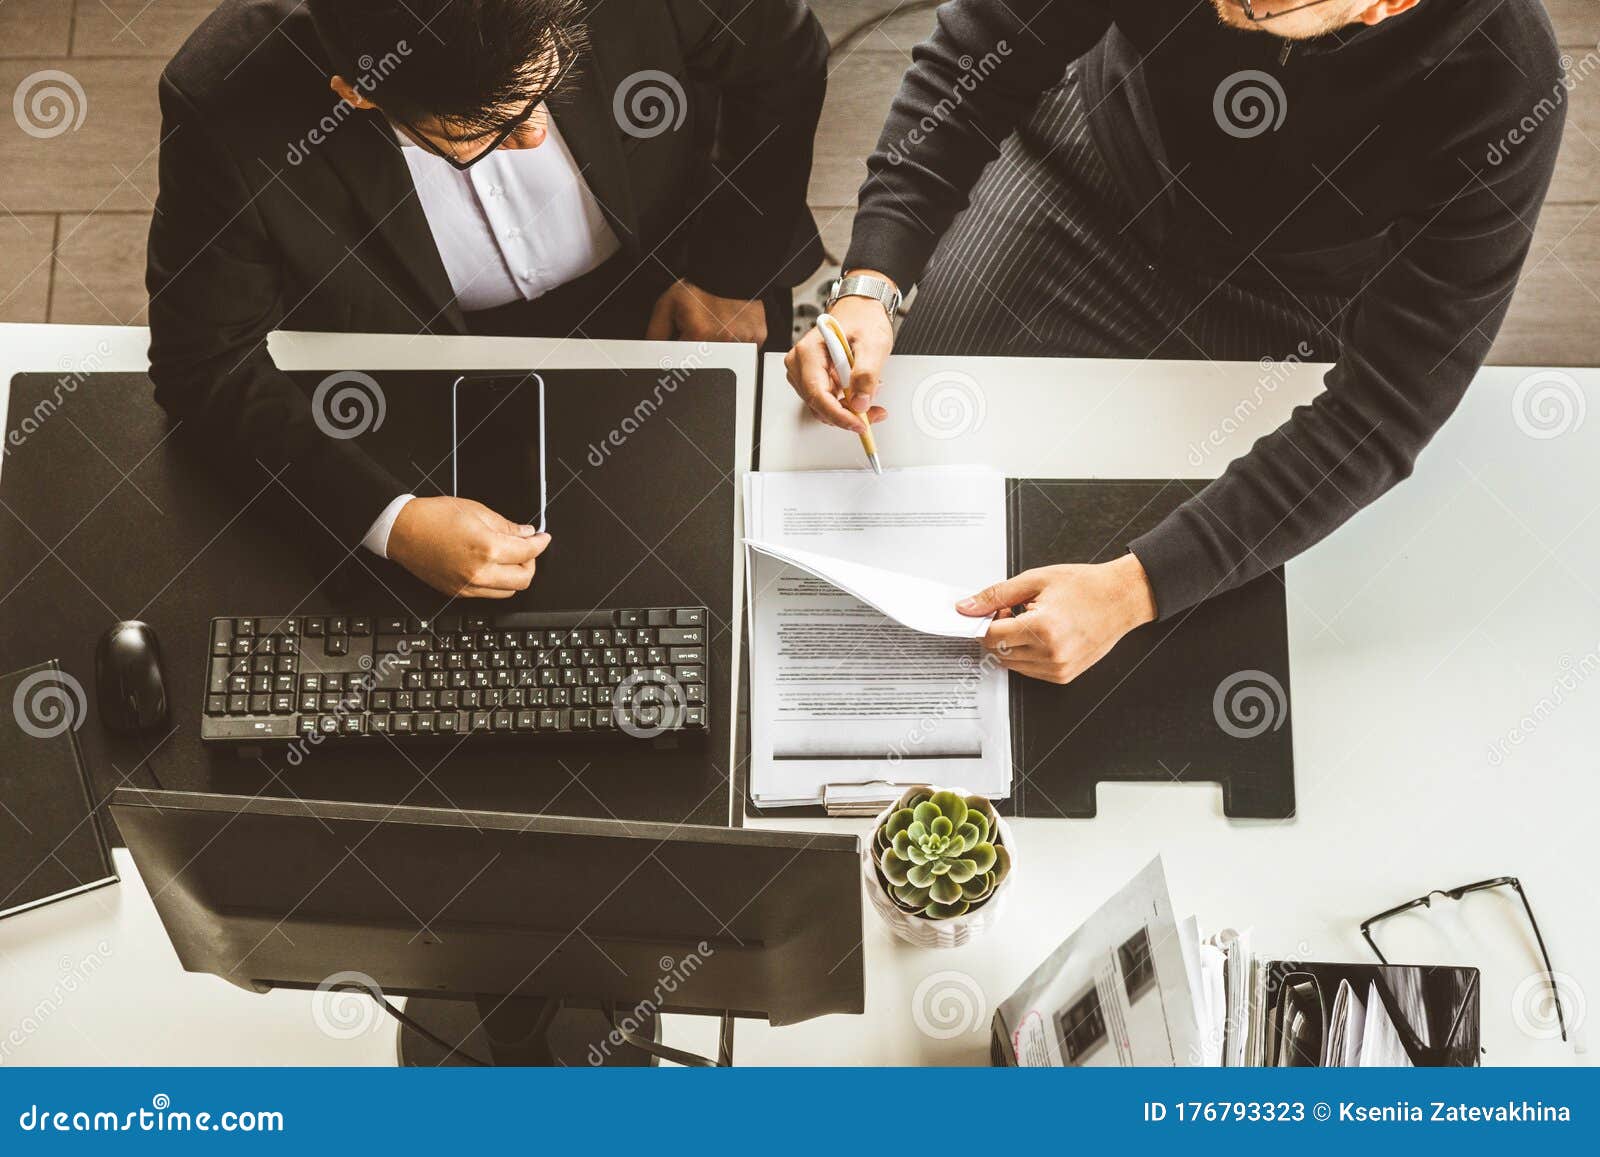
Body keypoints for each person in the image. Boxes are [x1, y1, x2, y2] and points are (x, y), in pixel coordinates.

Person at [785, 0, 1564, 685]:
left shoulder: (1506, 84)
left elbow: (1384, 412)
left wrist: (1134, 590)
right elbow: (973, 62)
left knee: (1162, 620)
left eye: (1255, 6)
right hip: (1084, 173)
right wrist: (872, 284)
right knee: (907, 461)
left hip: (1283, 293)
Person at [148, 0, 826, 598]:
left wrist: (732, 273)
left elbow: (783, 53)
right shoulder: (223, 96)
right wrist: (390, 521)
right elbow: (207, 362)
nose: (535, 138)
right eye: (485, 132)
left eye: (545, 84)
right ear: (359, 95)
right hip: (410, 362)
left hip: (669, 282)